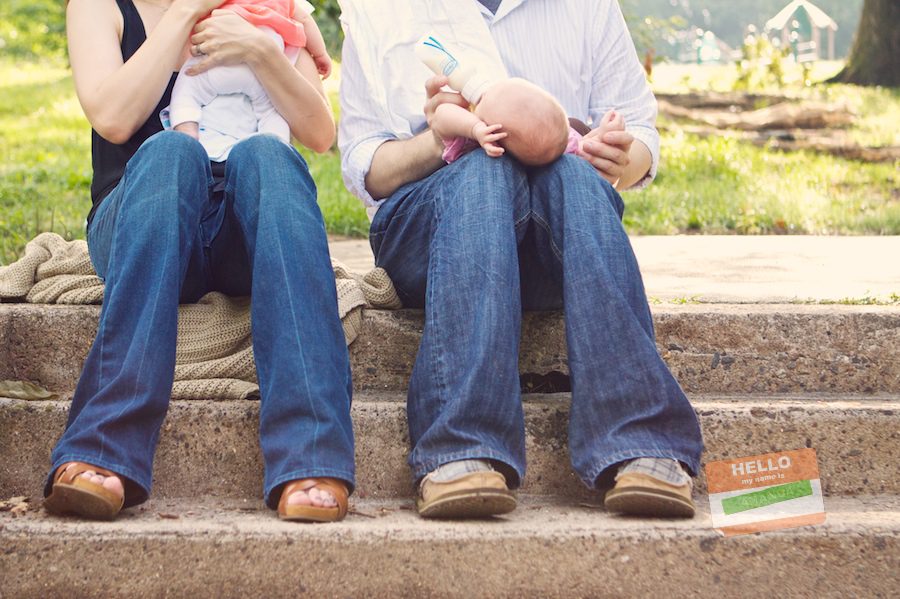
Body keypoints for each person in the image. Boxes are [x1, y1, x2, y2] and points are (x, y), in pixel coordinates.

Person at [338, 0, 704, 519]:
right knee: (482, 173)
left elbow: (641, 129)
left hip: (552, 238)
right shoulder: (381, 10)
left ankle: (642, 440)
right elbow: (365, 166)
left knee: (573, 176)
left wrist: (621, 154)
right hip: (430, 233)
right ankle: (459, 446)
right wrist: (442, 139)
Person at [44, 0, 354, 523]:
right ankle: (103, 447)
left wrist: (261, 49)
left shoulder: (265, 8)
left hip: (236, 229)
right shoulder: (100, 7)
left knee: (269, 156)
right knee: (174, 152)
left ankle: (311, 455)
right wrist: (188, 11)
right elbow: (114, 118)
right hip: (141, 217)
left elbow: (320, 135)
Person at [169, 0, 332, 146]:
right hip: (261, 72)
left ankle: (186, 130)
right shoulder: (287, 3)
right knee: (271, 113)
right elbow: (304, 21)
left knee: (187, 89)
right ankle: (276, 149)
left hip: (216, 61)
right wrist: (320, 54)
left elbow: (321, 137)